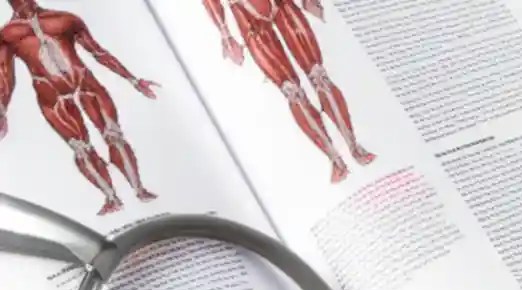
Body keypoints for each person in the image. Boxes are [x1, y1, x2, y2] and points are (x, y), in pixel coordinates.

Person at [0, 0, 160, 215]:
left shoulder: (65, 19)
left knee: (114, 137)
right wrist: (2, 110)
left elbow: (98, 52)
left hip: (86, 85)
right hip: (52, 96)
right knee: (82, 149)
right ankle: (111, 198)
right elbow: (5, 75)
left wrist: (133, 80)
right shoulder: (8, 34)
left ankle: (139, 189)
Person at [201, 0, 374, 183]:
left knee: (318, 75)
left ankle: (353, 146)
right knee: (293, 92)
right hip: (246, 14)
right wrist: (225, 33)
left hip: (280, 5)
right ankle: (336, 159)